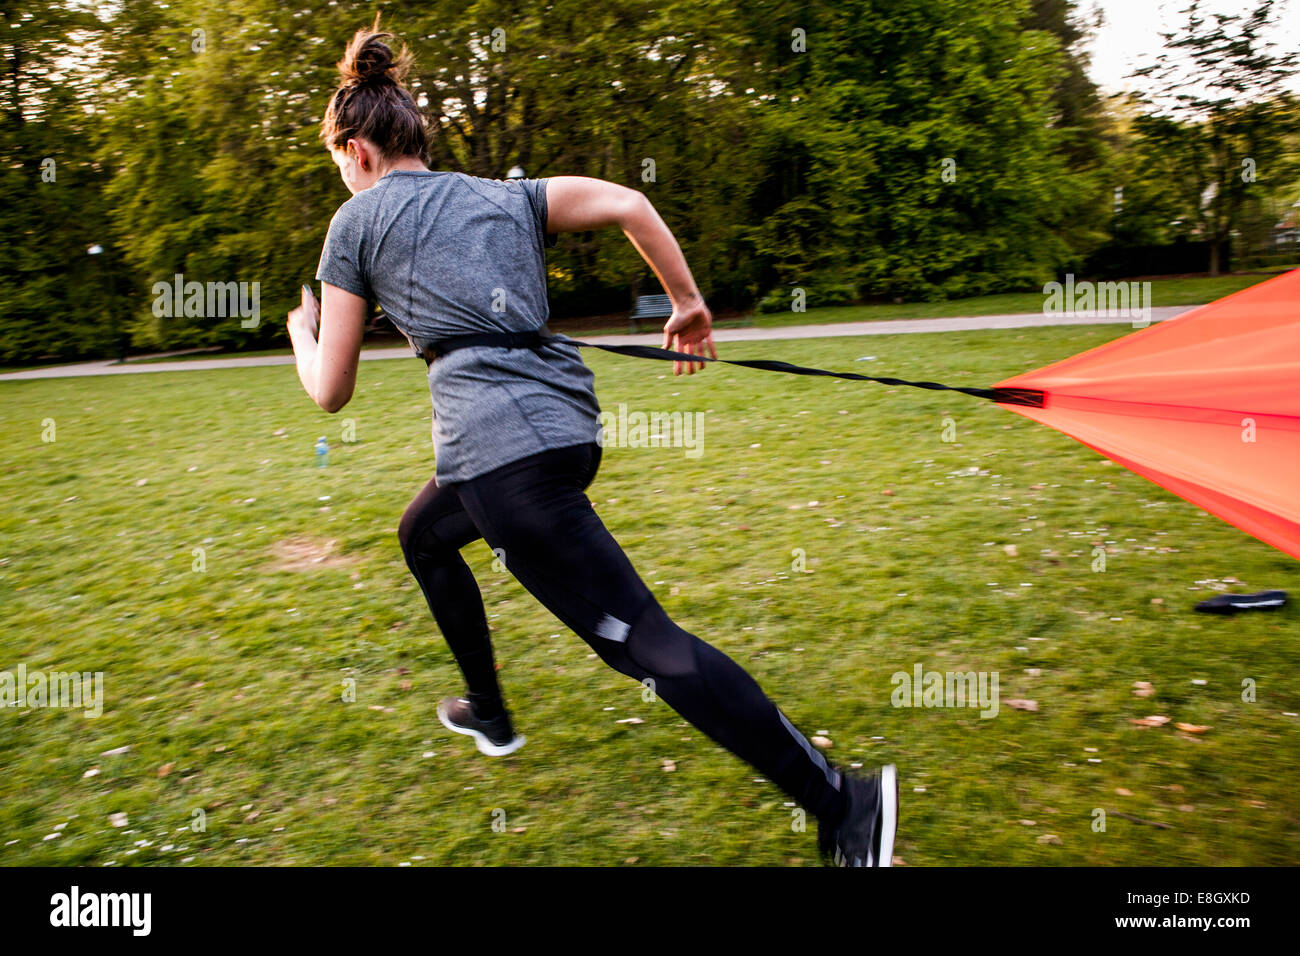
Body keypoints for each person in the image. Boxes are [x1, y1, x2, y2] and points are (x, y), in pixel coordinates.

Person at [286, 21, 898, 867]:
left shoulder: (354, 224)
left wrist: (300, 333)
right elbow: (628, 204)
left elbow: (330, 390)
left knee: (646, 644)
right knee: (422, 539)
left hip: (508, 459)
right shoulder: (506, 195)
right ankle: (488, 711)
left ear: (355, 149)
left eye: (335, 160)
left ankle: (844, 804)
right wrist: (685, 301)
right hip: (551, 435)